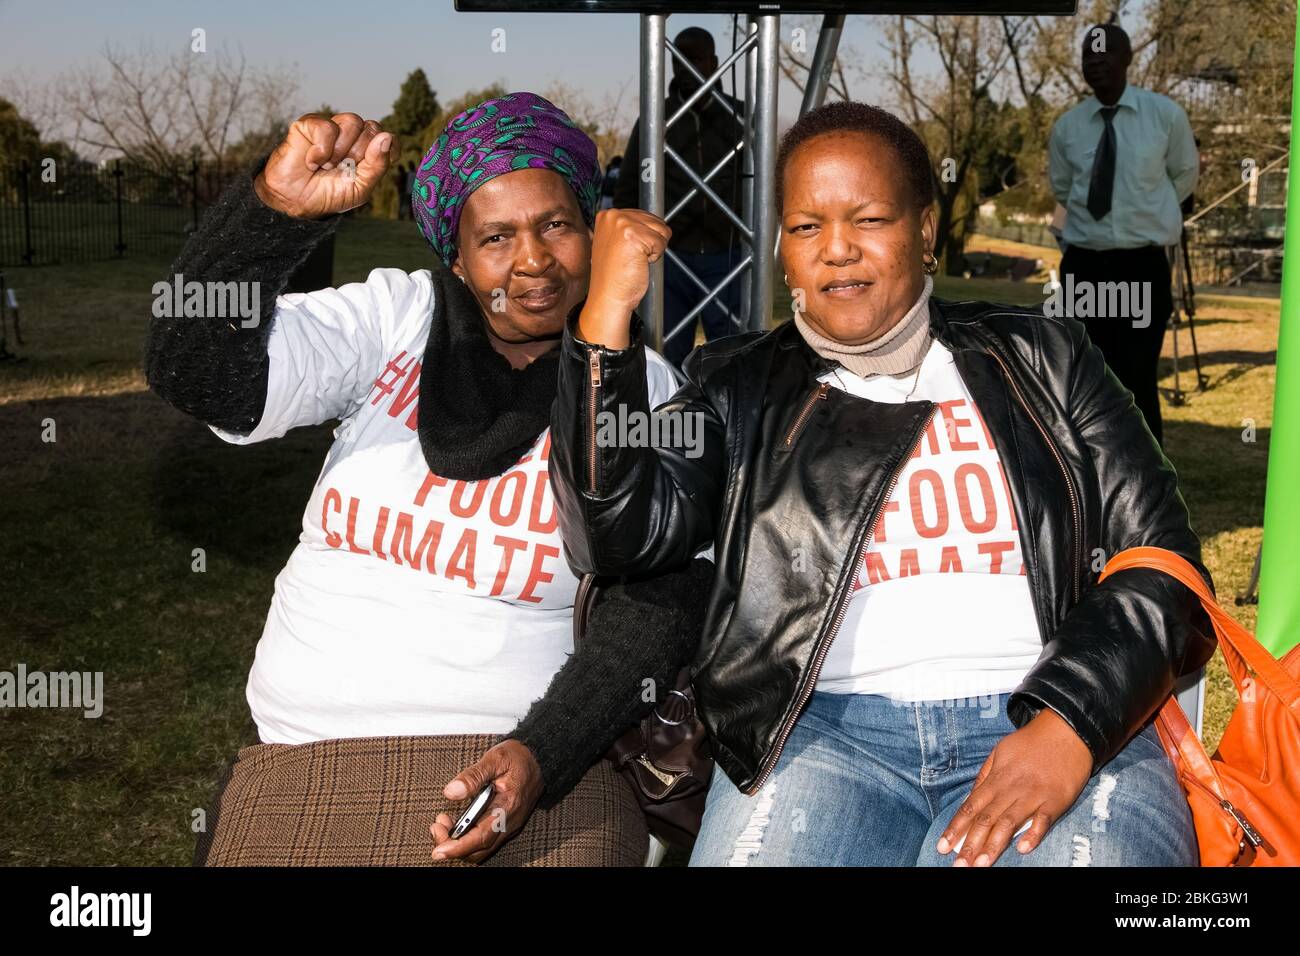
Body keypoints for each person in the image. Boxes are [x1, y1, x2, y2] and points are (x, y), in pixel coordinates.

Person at [549, 101, 1217, 866]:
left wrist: (1069, 722)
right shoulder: (736, 389)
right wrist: (604, 322)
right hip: (818, 740)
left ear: (926, 230)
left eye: (867, 220)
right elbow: (612, 533)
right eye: (805, 228)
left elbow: (1165, 565)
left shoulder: (1045, 357)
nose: (835, 251)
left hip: (1053, 715)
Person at [145, 92, 710, 867]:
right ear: (455, 256)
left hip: (539, 761)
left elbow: (661, 601)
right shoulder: (397, 320)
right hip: (311, 757)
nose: (534, 260)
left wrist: (543, 752)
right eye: (496, 236)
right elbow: (199, 373)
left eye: (555, 225)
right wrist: (272, 214)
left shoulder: (643, 385)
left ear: (594, 230)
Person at [1049, 22, 1199, 446]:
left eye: (1106, 53)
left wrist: (1144, 213)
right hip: (1085, 265)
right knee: (1086, 372)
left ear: (1129, 58)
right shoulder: (1069, 127)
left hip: (1141, 266)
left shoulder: (1165, 116)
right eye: (1088, 56)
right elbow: (1063, 187)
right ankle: (1091, 466)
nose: (1096, 62)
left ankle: (1147, 478)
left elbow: (1183, 176)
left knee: (1137, 374)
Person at [614, 26, 746, 371]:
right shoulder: (656, 120)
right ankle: (670, 424)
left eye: (696, 58)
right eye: (679, 59)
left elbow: (765, 186)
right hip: (669, 261)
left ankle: (729, 425)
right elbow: (628, 188)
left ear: (715, 62)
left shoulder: (741, 117)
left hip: (729, 258)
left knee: (731, 357)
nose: (686, 67)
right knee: (665, 356)